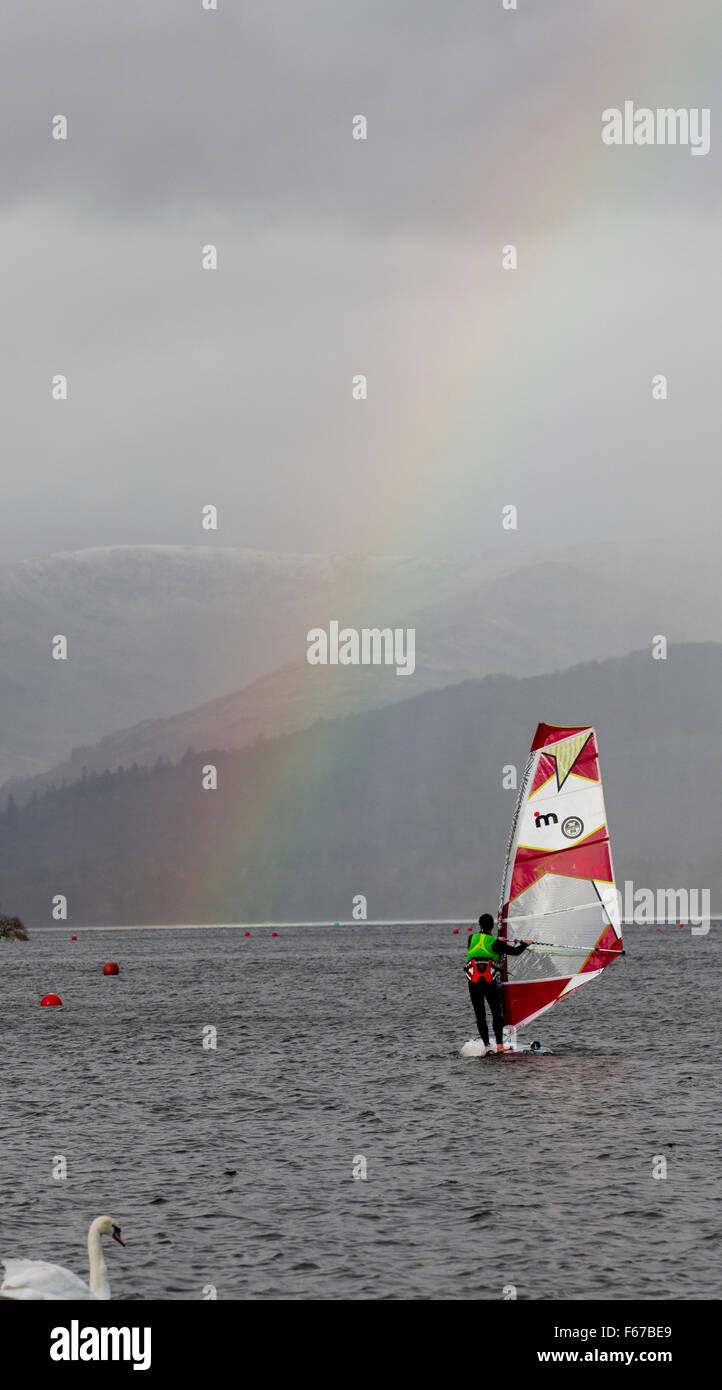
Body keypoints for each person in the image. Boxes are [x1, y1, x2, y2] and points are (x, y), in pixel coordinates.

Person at [465, 913, 530, 1053]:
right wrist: (525, 944)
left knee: (480, 1015)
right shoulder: (496, 943)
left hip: (473, 981)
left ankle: (487, 1046)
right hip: (489, 982)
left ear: (480, 925)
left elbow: (481, 946)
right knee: (496, 1014)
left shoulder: (471, 938)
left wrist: (497, 941)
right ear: (492, 926)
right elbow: (516, 951)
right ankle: (500, 1046)